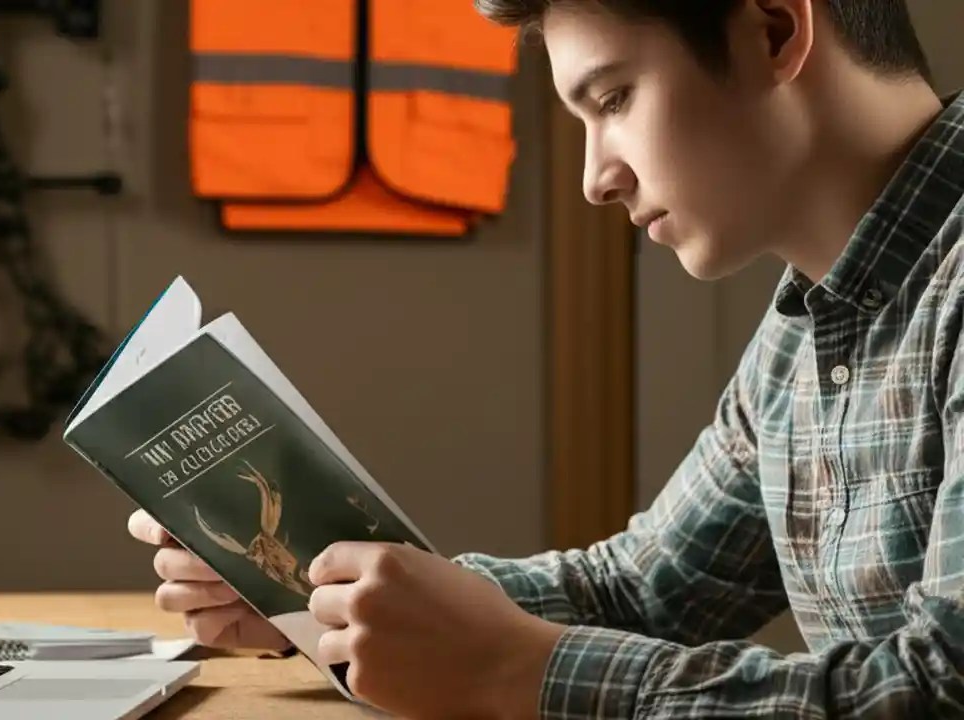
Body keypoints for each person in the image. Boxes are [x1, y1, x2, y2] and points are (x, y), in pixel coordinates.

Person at [128, 0, 964, 716]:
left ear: (774, 31)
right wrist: (325, 592)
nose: (596, 178)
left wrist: (516, 670)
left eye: (615, 98)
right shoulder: (804, 331)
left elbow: (938, 691)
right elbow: (642, 590)